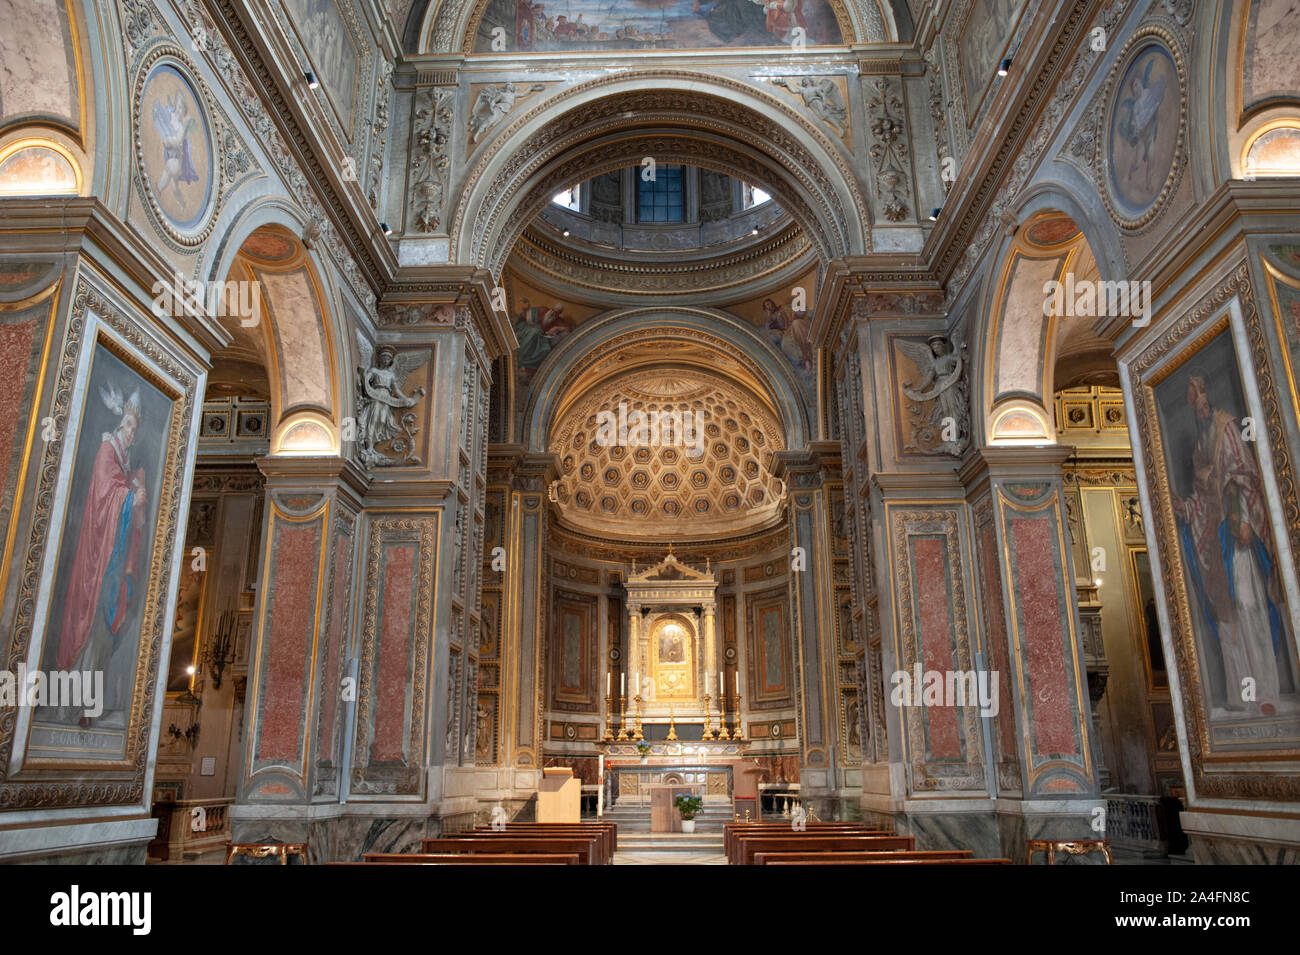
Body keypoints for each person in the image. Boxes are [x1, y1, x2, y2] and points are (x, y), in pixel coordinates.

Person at [1173, 372, 1287, 715]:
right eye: (1194, 402)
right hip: (1215, 536)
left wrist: (1244, 519)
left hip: (1236, 530)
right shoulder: (1199, 448)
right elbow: (1203, 498)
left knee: (1250, 606)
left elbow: (1243, 474)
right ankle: (1242, 694)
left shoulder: (1227, 430)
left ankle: (1266, 690)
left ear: (1207, 397)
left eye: (1200, 398)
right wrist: (1186, 507)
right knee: (1227, 616)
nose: (1199, 406)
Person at [55, 387, 149, 727]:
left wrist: (138, 492)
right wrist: (130, 497)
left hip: (112, 556)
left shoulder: (125, 460)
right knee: (90, 627)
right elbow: (103, 494)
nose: (131, 431)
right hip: (96, 552)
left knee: (104, 631)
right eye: (128, 424)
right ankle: (75, 702)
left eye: (134, 427)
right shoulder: (107, 449)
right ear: (120, 423)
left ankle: (89, 704)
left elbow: (128, 496)